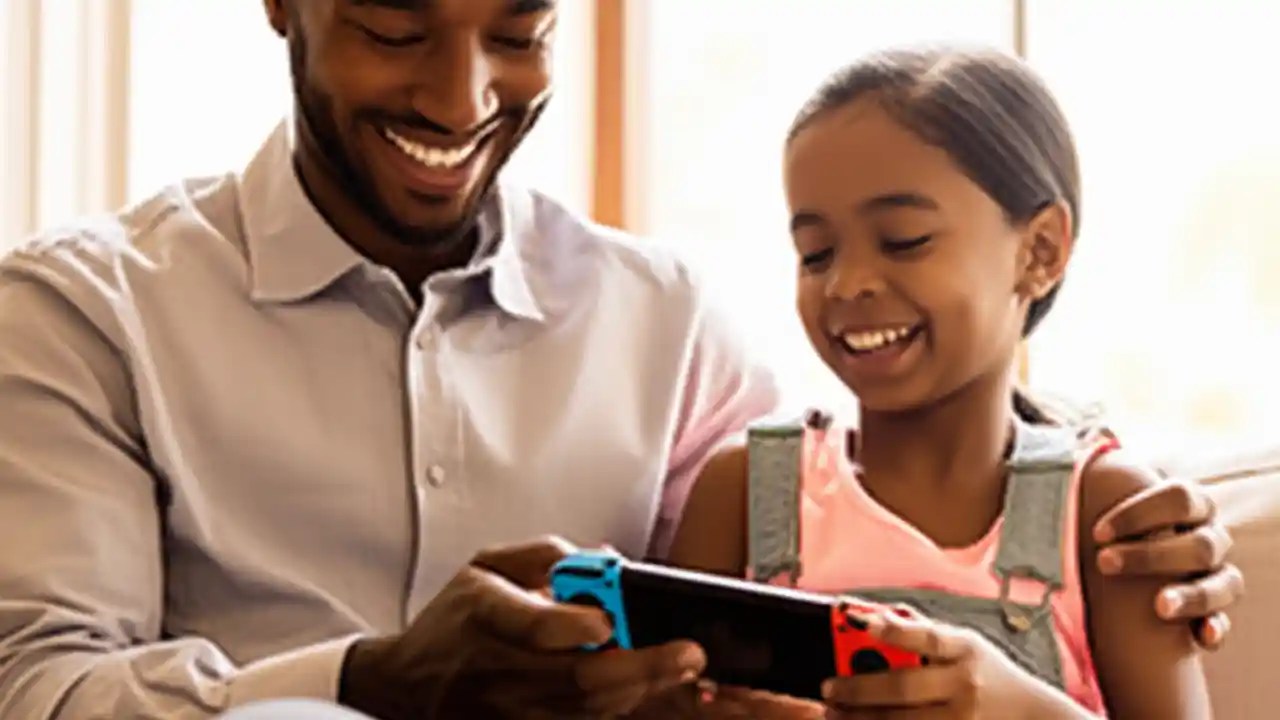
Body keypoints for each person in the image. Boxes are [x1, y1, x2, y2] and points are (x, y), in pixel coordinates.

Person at [0, 2, 1241, 718]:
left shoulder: (671, 325)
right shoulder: (82, 315)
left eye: (519, 29)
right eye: (394, 24)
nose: (460, 93)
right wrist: (371, 680)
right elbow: (39, 691)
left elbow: (877, 485)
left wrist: (1127, 508)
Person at [668, 46, 1225, 718]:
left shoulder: (1105, 514)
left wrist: (1018, 707)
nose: (847, 283)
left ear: (1039, 251)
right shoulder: (743, 494)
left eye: (903, 240)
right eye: (816, 254)